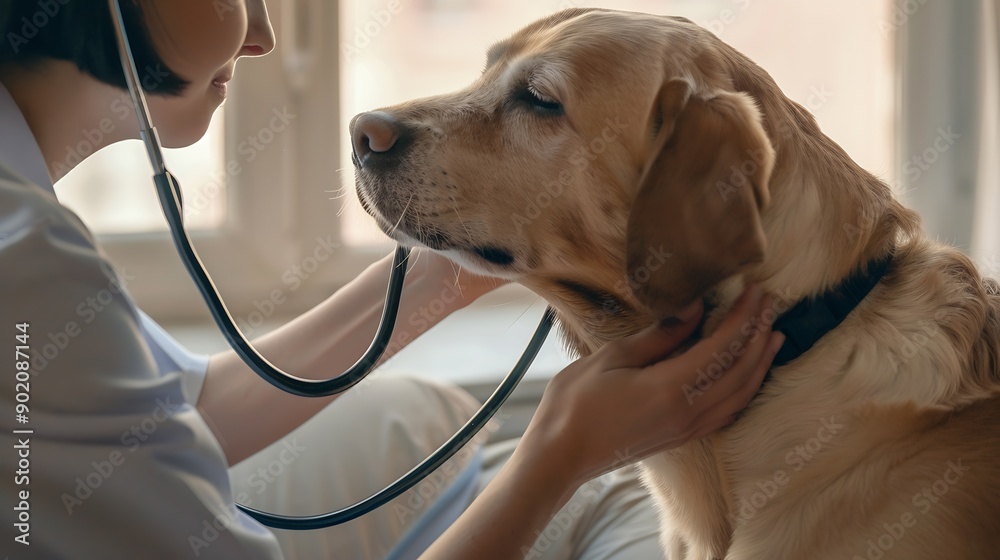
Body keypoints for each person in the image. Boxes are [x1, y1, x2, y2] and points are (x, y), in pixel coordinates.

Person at [0, 1, 784, 559]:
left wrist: (451, 265)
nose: (262, 35)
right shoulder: (32, 261)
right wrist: (558, 452)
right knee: (599, 501)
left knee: (427, 423)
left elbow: (163, 419)